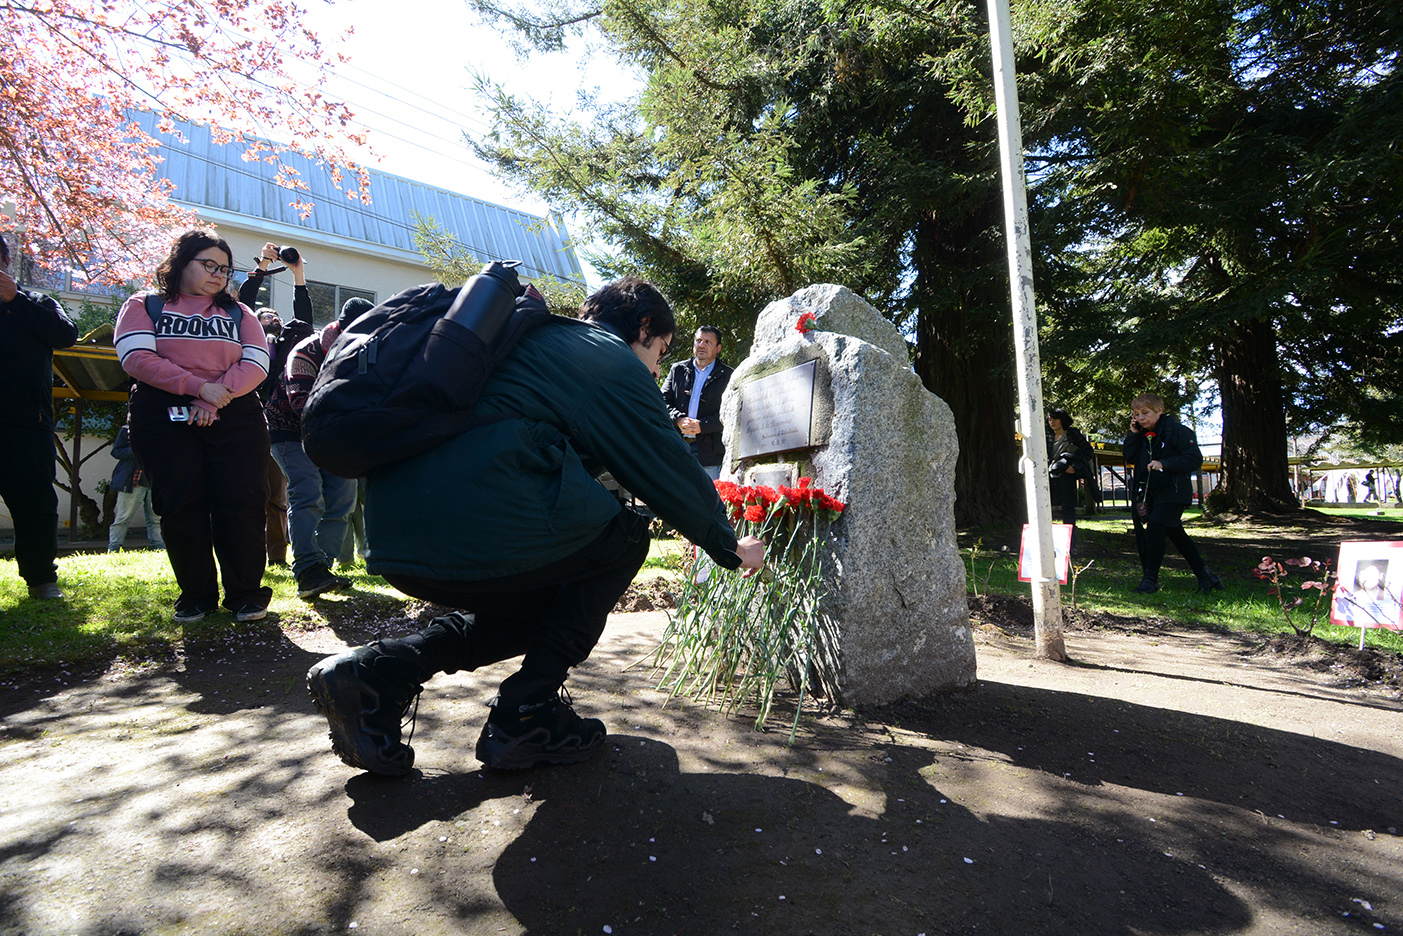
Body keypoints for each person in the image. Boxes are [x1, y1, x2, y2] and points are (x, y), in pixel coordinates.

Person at [307, 277, 765, 776]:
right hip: (470, 520)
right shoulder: (602, 355)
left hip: (400, 538)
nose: (657, 368)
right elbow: (666, 464)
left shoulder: (528, 342)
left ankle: (377, 673)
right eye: (661, 350)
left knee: (549, 612)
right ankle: (525, 715)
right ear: (644, 327)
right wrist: (730, 546)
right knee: (627, 536)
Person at [114, 229, 273, 623]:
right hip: (162, 414)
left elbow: (257, 363)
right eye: (209, 265)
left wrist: (212, 398)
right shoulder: (144, 305)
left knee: (242, 500)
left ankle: (246, 594)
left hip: (235, 412)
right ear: (181, 262)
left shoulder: (241, 313)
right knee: (180, 502)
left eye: (225, 269)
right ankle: (196, 595)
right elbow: (136, 358)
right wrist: (197, 387)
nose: (218, 274)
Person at [274, 294, 373, 598]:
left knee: (343, 498)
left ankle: (322, 569)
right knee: (308, 495)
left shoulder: (361, 354)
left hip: (333, 434)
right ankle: (307, 568)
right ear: (342, 329)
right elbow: (302, 406)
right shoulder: (305, 353)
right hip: (290, 432)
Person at [0, 233, 79, 599]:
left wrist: (15, 300)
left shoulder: (35, 302)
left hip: (26, 424)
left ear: (5, 264)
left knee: (35, 503)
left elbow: (66, 335)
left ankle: (41, 579)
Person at [240, 244, 315, 569]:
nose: (273, 318)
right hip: (245, 419)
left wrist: (298, 275)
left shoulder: (288, 344)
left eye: (276, 316)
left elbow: (305, 319)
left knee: (276, 494)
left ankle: (277, 556)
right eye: (266, 315)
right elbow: (243, 304)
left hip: (277, 426)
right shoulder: (248, 339)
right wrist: (263, 266)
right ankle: (245, 553)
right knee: (246, 492)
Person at [1123, 393, 1222, 595]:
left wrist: (1164, 464)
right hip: (1151, 492)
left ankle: (1150, 580)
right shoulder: (1141, 435)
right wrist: (1133, 434)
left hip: (1174, 491)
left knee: (1155, 528)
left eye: (1145, 413)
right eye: (1136, 414)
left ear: (1160, 410)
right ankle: (1206, 576)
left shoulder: (1178, 431)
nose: (1141, 418)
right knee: (1176, 534)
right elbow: (1130, 457)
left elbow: (1194, 459)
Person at [661, 325, 734, 481]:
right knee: (677, 494)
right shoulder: (678, 370)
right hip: (677, 448)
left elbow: (731, 415)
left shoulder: (728, 376)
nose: (702, 345)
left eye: (708, 342)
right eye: (699, 340)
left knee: (709, 495)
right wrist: (678, 419)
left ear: (718, 348)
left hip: (710, 454)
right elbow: (661, 401)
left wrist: (702, 425)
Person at [106, 423, 165, 552]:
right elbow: (116, 451)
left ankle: (159, 547)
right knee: (123, 517)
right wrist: (137, 451)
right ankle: (114, 548)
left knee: (156, 518)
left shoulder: (161, 429)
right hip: (132, 481)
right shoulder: (127, 430)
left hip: (154, 480)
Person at [1045, 408, 1093, 542]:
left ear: (1062, 420)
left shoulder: (1072, 434)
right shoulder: (1047, 435)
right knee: (1046, 506)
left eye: (1055, 419)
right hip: (1049, 475)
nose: (1052, 422)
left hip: (1066, 475)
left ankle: (1070, 540)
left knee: (1068, 508)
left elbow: (1088, 452)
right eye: (1049, 419)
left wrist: (1074, 467)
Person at [1334, 560, 1402, 628]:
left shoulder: (1387, 596)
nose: (1368, 578)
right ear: (1359, 576)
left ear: (1380, 576)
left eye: (1373, 574)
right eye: (1365, 574)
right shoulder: (1354, 595)